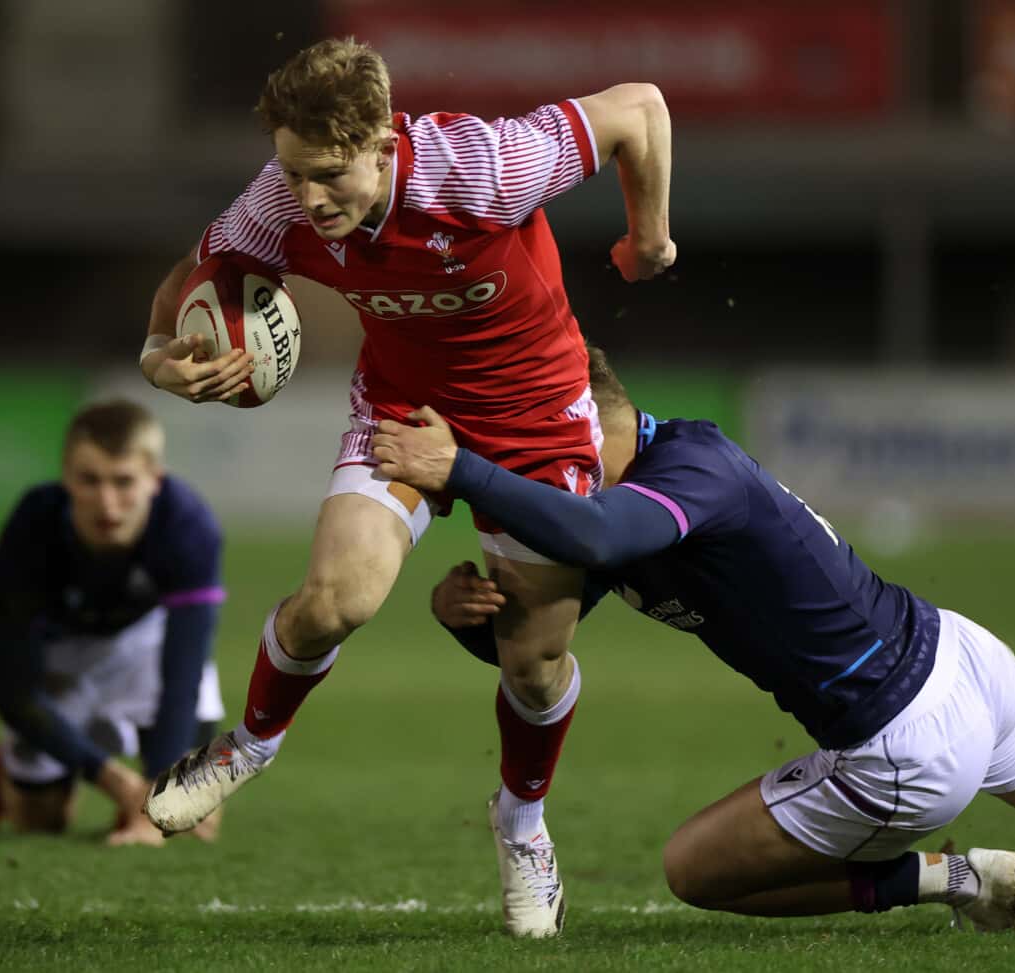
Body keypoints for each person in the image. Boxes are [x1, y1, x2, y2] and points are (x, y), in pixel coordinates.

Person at [136, 37, 674, 935]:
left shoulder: (482, 169)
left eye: (331, 175)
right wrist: (161, 362)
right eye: (294, 171)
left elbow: (640, 105)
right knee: (333, 599)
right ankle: (248, 745)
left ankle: (522, 822)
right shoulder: (281, 200)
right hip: (400, 409)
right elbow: (193, 281)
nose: (309, 198)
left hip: (536, 423)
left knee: (533, 666)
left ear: (385, 145)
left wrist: (646, 236)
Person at [370, 345, 1015, 931]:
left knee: (692, 868)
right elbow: (540, 641)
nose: (522, 464)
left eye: (531, 443)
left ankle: (951, 876)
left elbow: (599, 539)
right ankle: (963, 873)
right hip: (954, 659)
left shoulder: (689, 468)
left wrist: (463, 470)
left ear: (576, 424)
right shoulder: (615, 506)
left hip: (903, 736)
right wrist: (463, 618)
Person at [0, 400, 227, 848]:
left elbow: (183, 674)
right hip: (58, 664)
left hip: (147, 652)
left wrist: (158, 803)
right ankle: (21, 758)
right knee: (38, 824)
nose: (107, 502)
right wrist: (113, 780)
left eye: (123, 482)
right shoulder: (31, 528)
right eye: (90, 481)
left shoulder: (188, 525)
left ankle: (65, 748)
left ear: (155, 478)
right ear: (65, 476)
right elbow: (12, 689)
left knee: (193, 826)